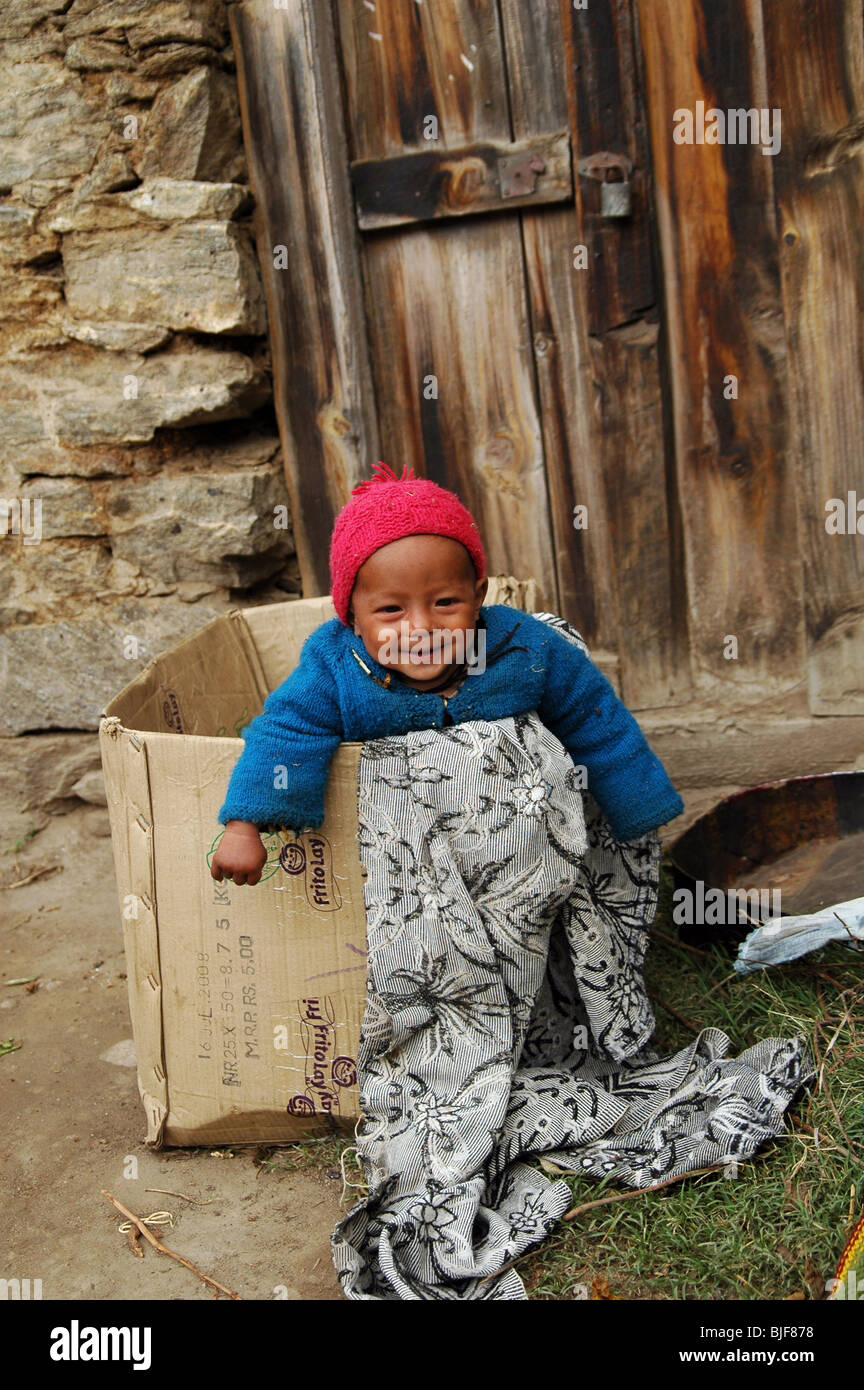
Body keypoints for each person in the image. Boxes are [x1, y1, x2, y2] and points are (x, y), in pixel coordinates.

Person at [210, 460, 684, 884]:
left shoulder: (520, 647)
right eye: (391, 609)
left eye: (445, 603)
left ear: (479, 597)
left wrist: (637, 802)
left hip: (521, 846)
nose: (421, 628)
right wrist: (244, 826)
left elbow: (591, 715)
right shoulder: (334, 668)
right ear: (351, 616)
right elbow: (286, 733)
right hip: (403, 860)